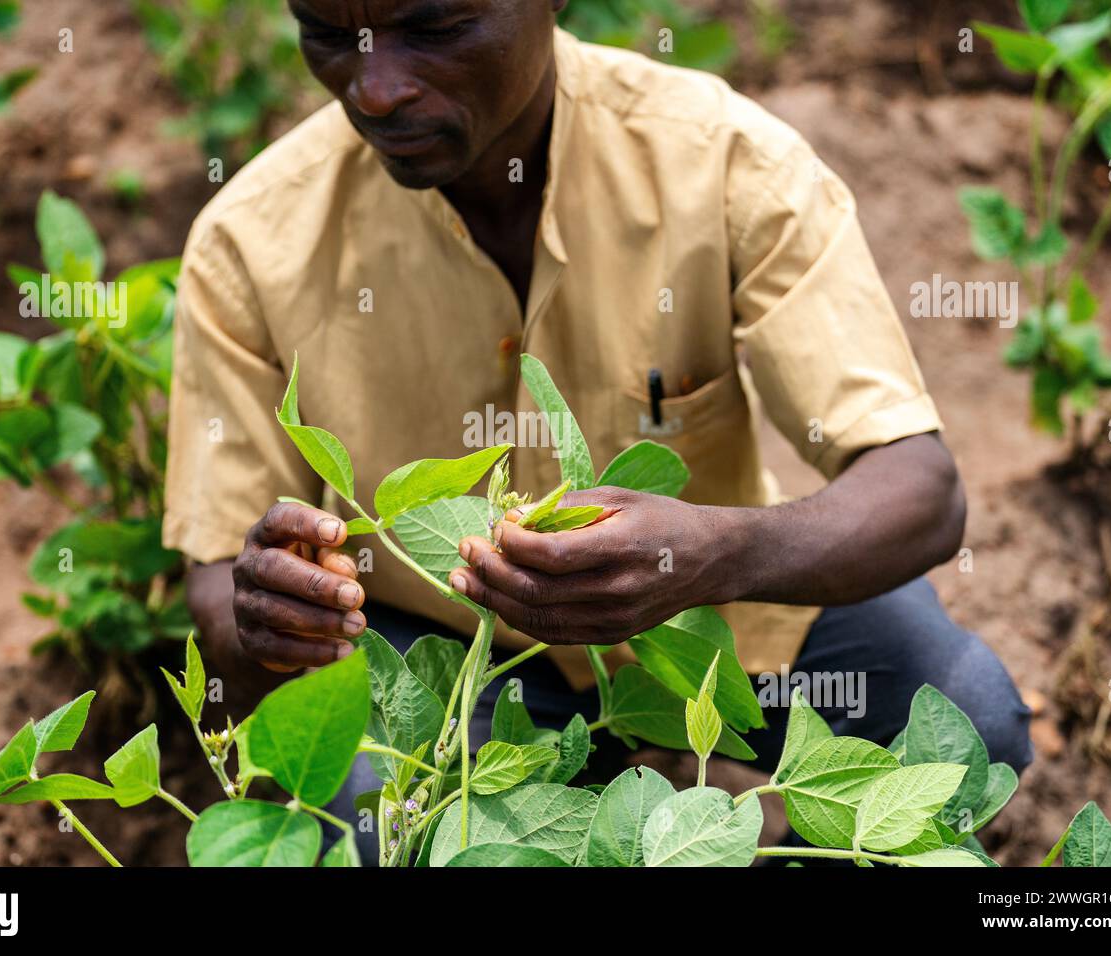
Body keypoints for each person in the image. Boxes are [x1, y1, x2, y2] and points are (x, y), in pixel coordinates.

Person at [164, 0, 1033, 859]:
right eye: (328, 36)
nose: (376, 88)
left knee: (965, 720)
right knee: (381, 826)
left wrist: (707, 555)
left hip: (707, 623)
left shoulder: (720, 160)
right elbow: (214, 582)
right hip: (446, 668)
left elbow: (920, 488)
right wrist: (270, 612)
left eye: (434, 29)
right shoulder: (252, 243)